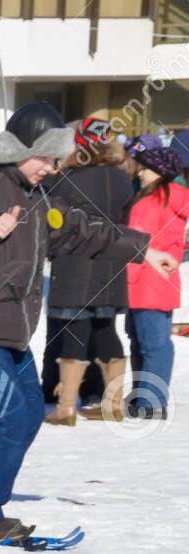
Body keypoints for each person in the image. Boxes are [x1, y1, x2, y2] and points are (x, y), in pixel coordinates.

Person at [0, 101, 175, 544]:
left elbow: (86, 230)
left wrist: (143, 250)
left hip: (9, 331)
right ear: (17, 150)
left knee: (25, 416)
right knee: (13, 414)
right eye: (43, 157)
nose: (50, 166)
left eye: (54, 157)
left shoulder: (40, 198)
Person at [39, 120, 132, 426]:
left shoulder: (67, 179)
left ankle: (66, 408)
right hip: (112, 263)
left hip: (76, 262)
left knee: (75, 330)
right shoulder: (121, 178)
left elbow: (52, 219)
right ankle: (113, 403)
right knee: (106, 329)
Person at [111, 141, 189, 421]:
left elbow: (135, 246)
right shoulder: (175, 199)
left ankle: (151, 400)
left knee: (150, 344)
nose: (140, 173)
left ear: (159, 171)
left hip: (144, 283)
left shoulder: (150, 203)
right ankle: (145, 394)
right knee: (150, 342)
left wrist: (123, 283)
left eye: (145, 169)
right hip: (162, 282)